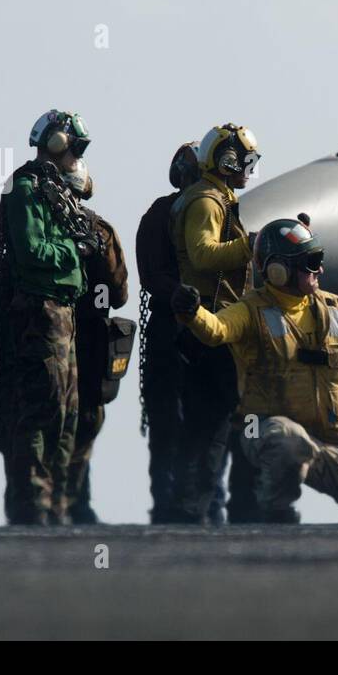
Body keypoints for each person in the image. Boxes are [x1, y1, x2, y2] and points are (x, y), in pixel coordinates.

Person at [173, 217, 338, 524]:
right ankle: (276, 514)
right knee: (290, 442)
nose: (320, 270)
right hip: (263, 429)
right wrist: (192, 312)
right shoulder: (252, 310)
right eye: (311, 262)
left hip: (330, 440)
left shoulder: (333, 309)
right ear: (279, 270)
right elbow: (218, 330)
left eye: (319, 260)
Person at [0, 109, 99, 525]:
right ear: (58, 143)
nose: (77, 156)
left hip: (64, 313)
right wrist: (76, 252)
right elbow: (32, 251)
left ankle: (57, 505)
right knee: (41, 410)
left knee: (67, 414)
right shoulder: (25, 189)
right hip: (40, 313)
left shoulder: (58, 191)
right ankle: (32, 505)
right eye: (75, 147)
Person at [170, 123, 261, 524]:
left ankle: (197, 507)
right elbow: (203, 254)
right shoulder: (208, 202)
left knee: (207, 424)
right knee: (214, 423)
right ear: (227, 161)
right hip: (209, 326)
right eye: (245, 161)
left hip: (211, 322)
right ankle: (197, 510)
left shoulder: (218, 199)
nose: (248, 168)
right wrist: (251, 247)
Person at [135, 143, 227, 523]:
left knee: (209, 418)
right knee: (170, 417)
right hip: (173, 331)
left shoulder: (216, 211)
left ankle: (203, 502)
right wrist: (181, 298)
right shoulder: (163, 213)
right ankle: (173, 504)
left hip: (207, 328)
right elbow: (152, 275)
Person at [64, 161, 132, 525]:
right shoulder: (98, 229)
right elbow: (118, 293)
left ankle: (42, 506)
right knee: (86, 420)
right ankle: (76, 504)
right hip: (89, 339)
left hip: (38, 338)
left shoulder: (31, 226)